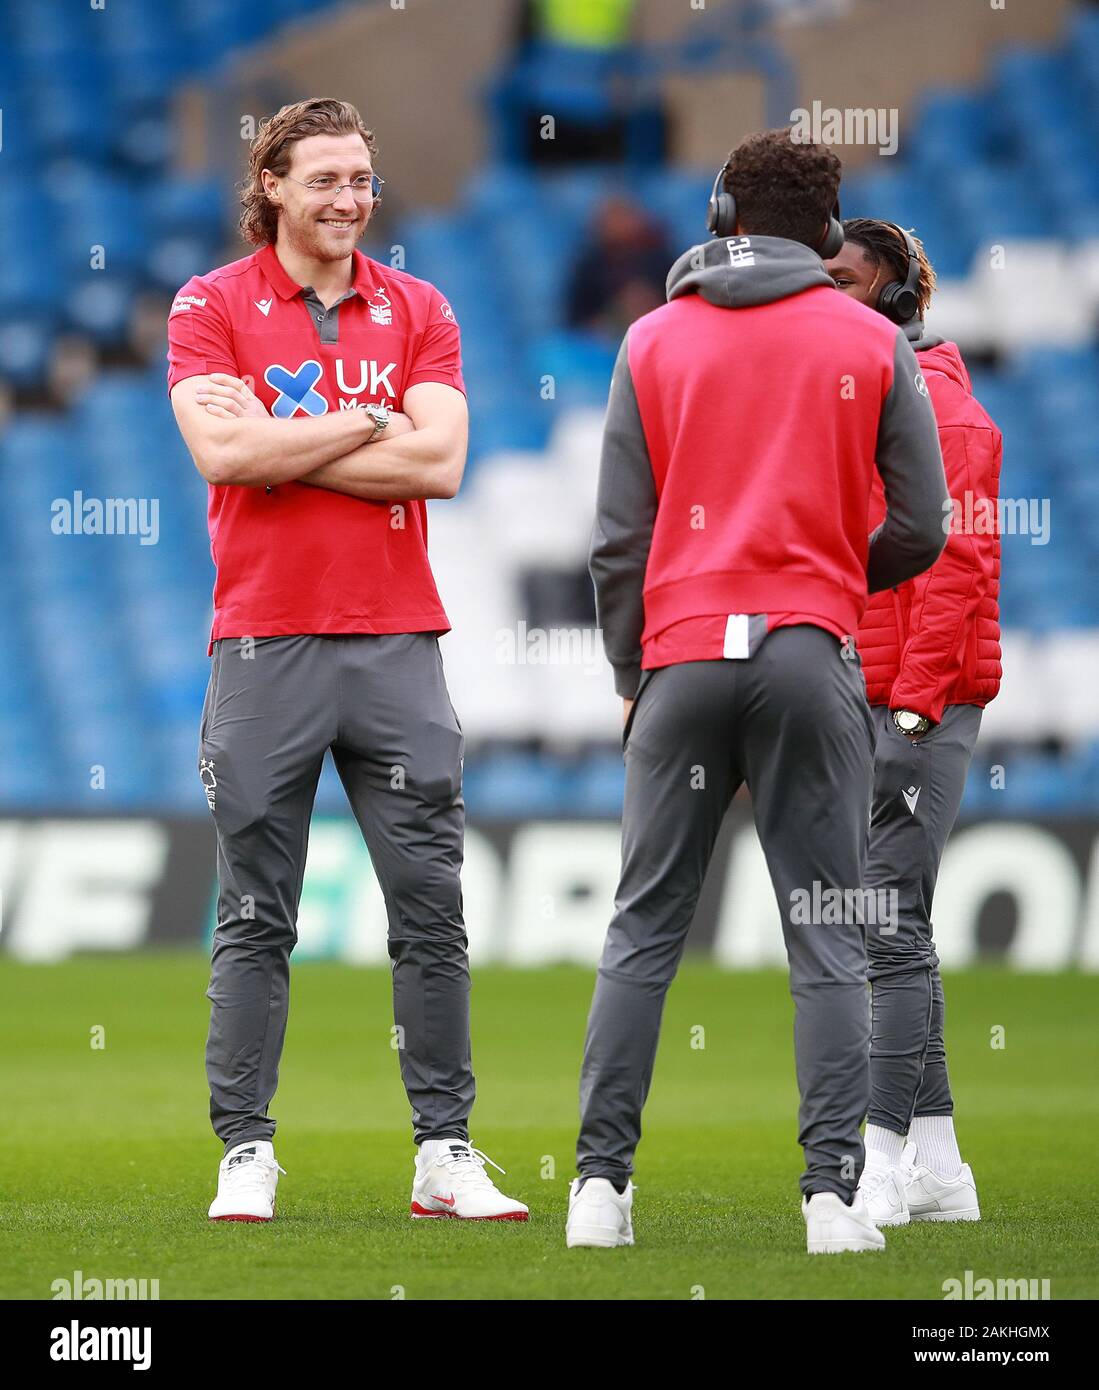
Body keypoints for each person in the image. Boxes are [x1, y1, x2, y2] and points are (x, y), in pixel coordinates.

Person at [568, 129, 948, 1255]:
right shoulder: (872, 341)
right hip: (805, 653)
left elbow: (615, 543)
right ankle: (830, 1199)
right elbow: (922, 528)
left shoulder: (648, 337)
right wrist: (829, 577)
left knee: (643, 928)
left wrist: (633, 670)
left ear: (718, 214)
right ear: (830, 234)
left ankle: (598, 1191)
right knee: (828, 933)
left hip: (679, 658)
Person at [167, 97, 527, 1224]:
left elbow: (444, 464)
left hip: (397, 647)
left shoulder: (419, 306)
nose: (348, 200)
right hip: (264, 645)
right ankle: (245, 1152)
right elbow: (220, 450)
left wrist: (292, 443)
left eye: (361, 179)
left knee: (431, 909)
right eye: (323, 179)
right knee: (255, 915)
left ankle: (446, 1151)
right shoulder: (208, 305)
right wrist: (370, 425)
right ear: (269, 183)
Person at [825, 218, 1002, 1226]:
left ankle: (879, 1154)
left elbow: (957, 576)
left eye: (842, 280)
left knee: (883, 924)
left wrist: (909, 709)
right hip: (873, 694)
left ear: (891, 289)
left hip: (918, 704)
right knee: (896, 927)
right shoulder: (874, 403)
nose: (821, 299)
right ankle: (939, 1164)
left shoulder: (943, 414)